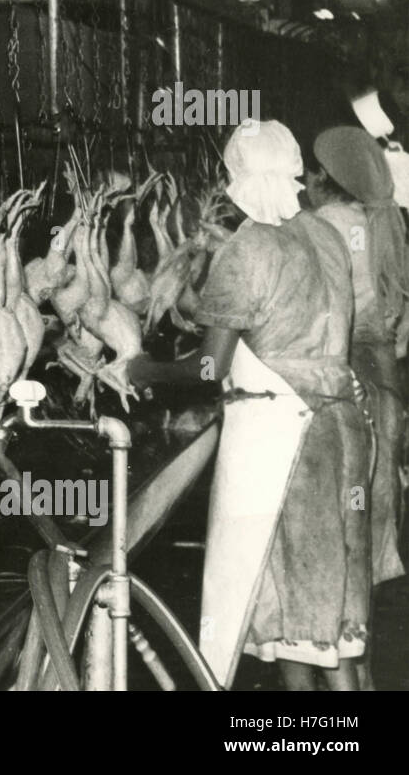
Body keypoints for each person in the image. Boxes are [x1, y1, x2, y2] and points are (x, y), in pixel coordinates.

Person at [129, 120, 372, 691]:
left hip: (288, 444)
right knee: (335, 621)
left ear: (238, 178)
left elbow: (209, 368)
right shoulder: (327, 237)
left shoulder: (247, 249)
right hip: (345, 431)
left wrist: (145, 370)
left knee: (293, 617)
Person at [306, 126, 407, 592]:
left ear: (323, 176)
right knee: (385, 462)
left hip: (345, 353)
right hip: (384, 357)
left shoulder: (321, 222)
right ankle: (381, 555)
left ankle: (344, 566)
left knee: (349, 465)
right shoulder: (380, 220)